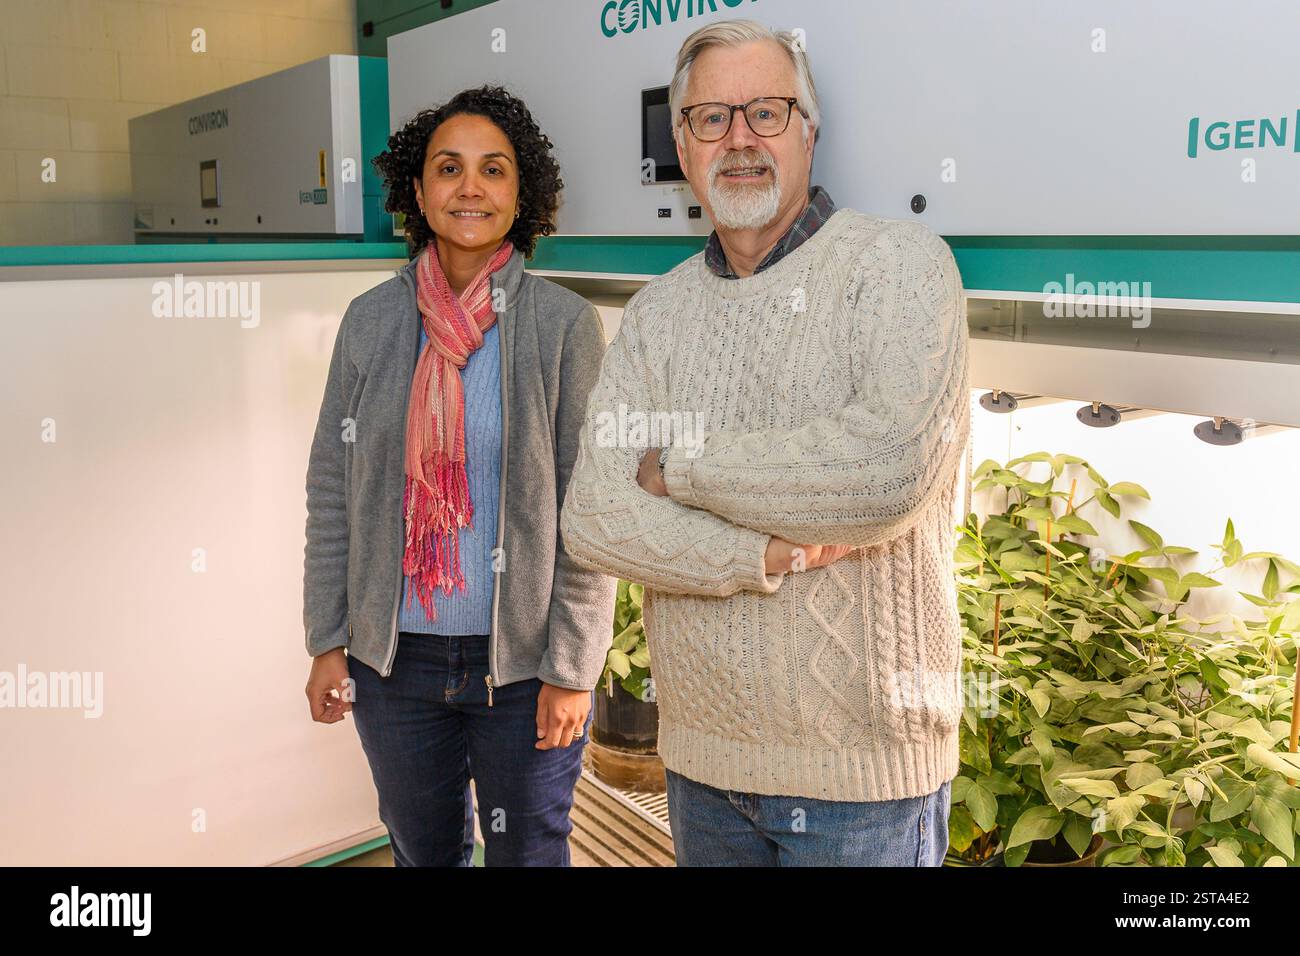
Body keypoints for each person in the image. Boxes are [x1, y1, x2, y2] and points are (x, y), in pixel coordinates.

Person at [560, 20, 971, 866]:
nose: (739, 138)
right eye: (711, 118)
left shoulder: (902, 266)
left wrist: (681, 468)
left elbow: (883, 473)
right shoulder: (656, 313)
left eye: (767, 112)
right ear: (682, 144)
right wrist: (764, 555)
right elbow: (594, 516)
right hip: (701, 770)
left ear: (808, 131)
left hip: (868, 787)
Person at [302, 85, 615, 867]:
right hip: (395, 664)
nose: (469, 188)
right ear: (418, 190)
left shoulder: (564, 327)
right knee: (423, 854)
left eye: (493, 170)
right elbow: (333, 492)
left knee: (529, 855)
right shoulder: (371, 322)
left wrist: (573, 669)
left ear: (522, 194)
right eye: (449, 168)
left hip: (522, 668)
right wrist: (327, 640)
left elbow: (593, 510)